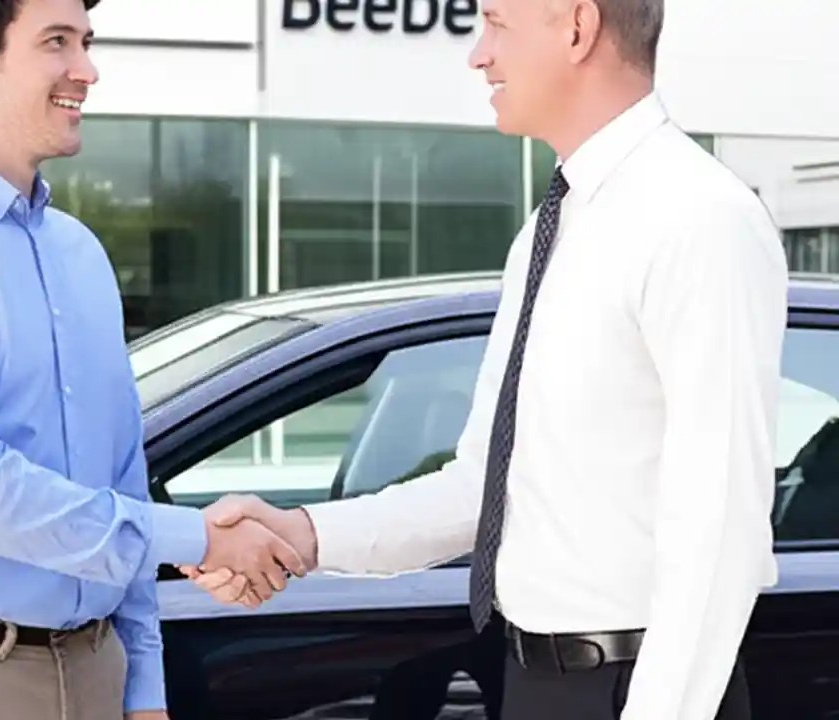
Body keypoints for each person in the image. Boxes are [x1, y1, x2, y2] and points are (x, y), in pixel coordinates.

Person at [182, 0, 787, 718]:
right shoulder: (550, 228)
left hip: (641, 689)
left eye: (496, 21)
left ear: (576, 26)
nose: (478, 54)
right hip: (537, 682)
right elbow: (484, 489)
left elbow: (717, 529)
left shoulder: (699, 219)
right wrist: (305, 535)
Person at [0, 1, 304, 718]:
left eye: (85, 41)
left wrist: (143, 685)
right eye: (56, 42)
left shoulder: (79, 253)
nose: (87, 69)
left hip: (97, 671)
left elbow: (121, 477)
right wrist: (202, 538)